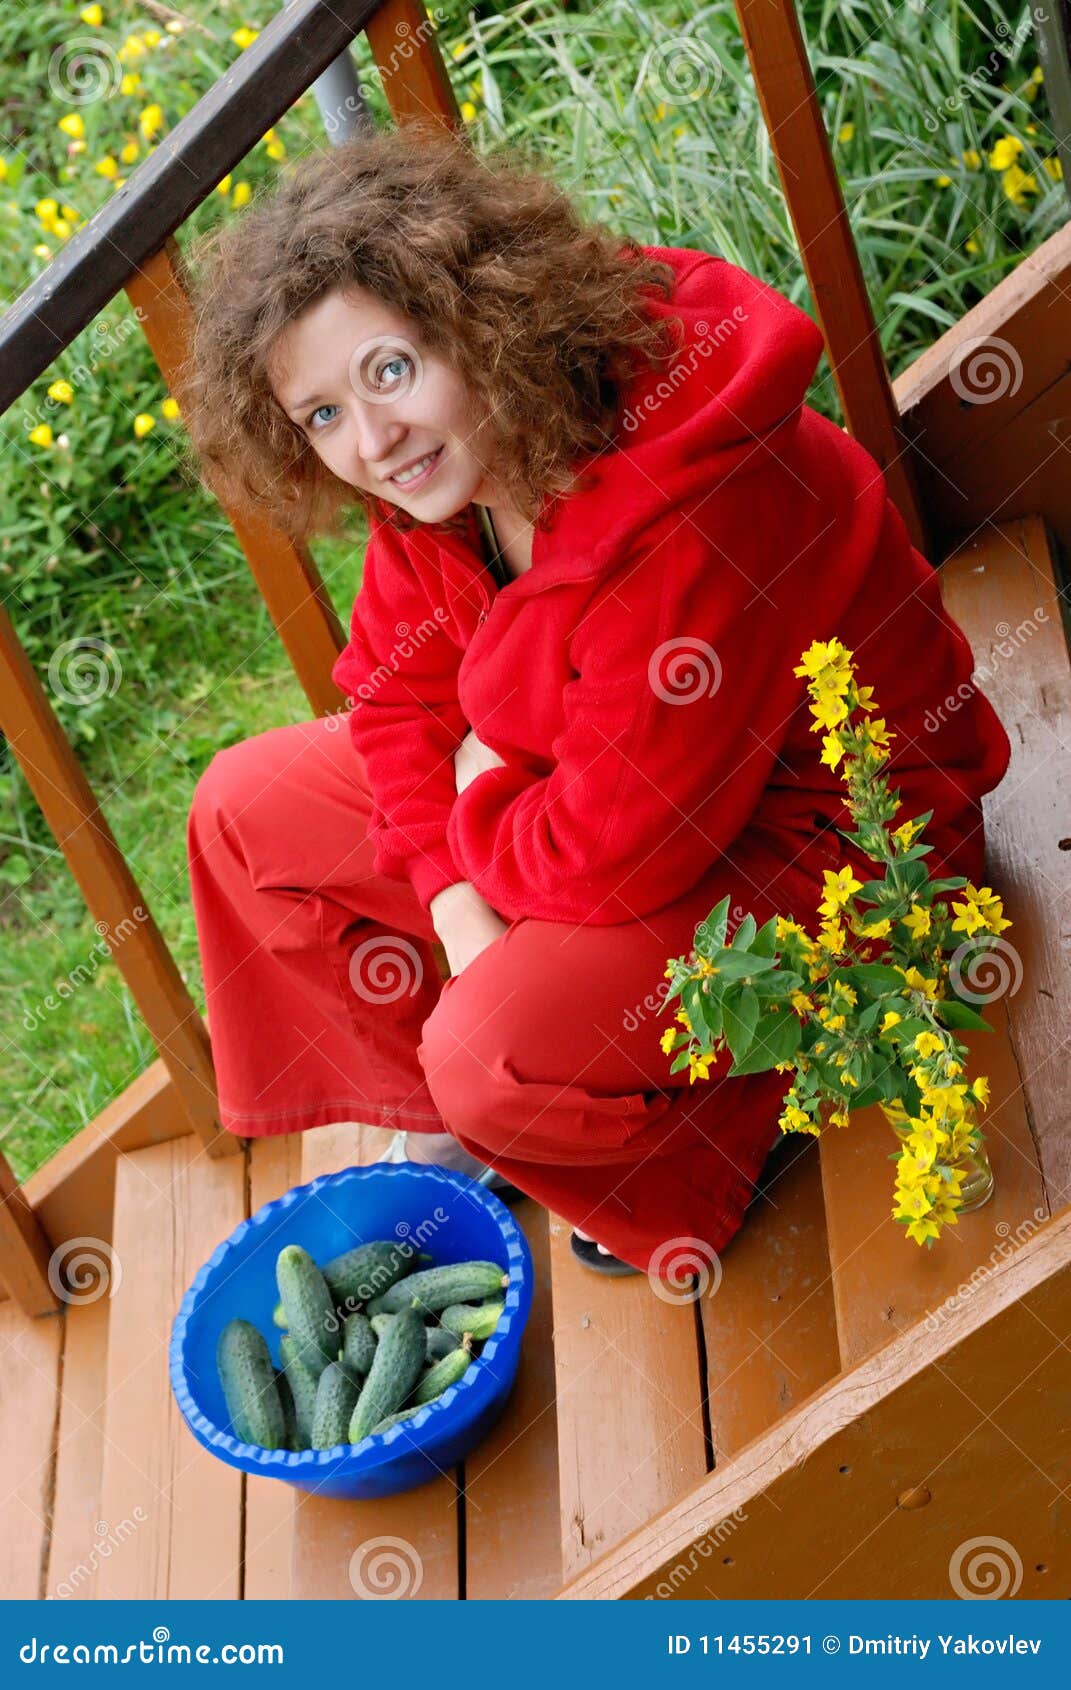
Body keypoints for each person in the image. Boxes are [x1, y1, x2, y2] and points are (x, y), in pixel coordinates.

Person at [177, 123, 1012, 1280]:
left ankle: (709, 1127)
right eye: (321, 414)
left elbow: (623, 854)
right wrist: (463, 905)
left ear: (475, 318)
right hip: (597, 794)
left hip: (834, 834)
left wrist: (479, 808)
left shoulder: (688, 496)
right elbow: (394, 705)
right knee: (242, 808)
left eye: (389, 370)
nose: (369, 440)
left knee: (487, 1054)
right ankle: (487, 1105)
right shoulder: (446, 474)